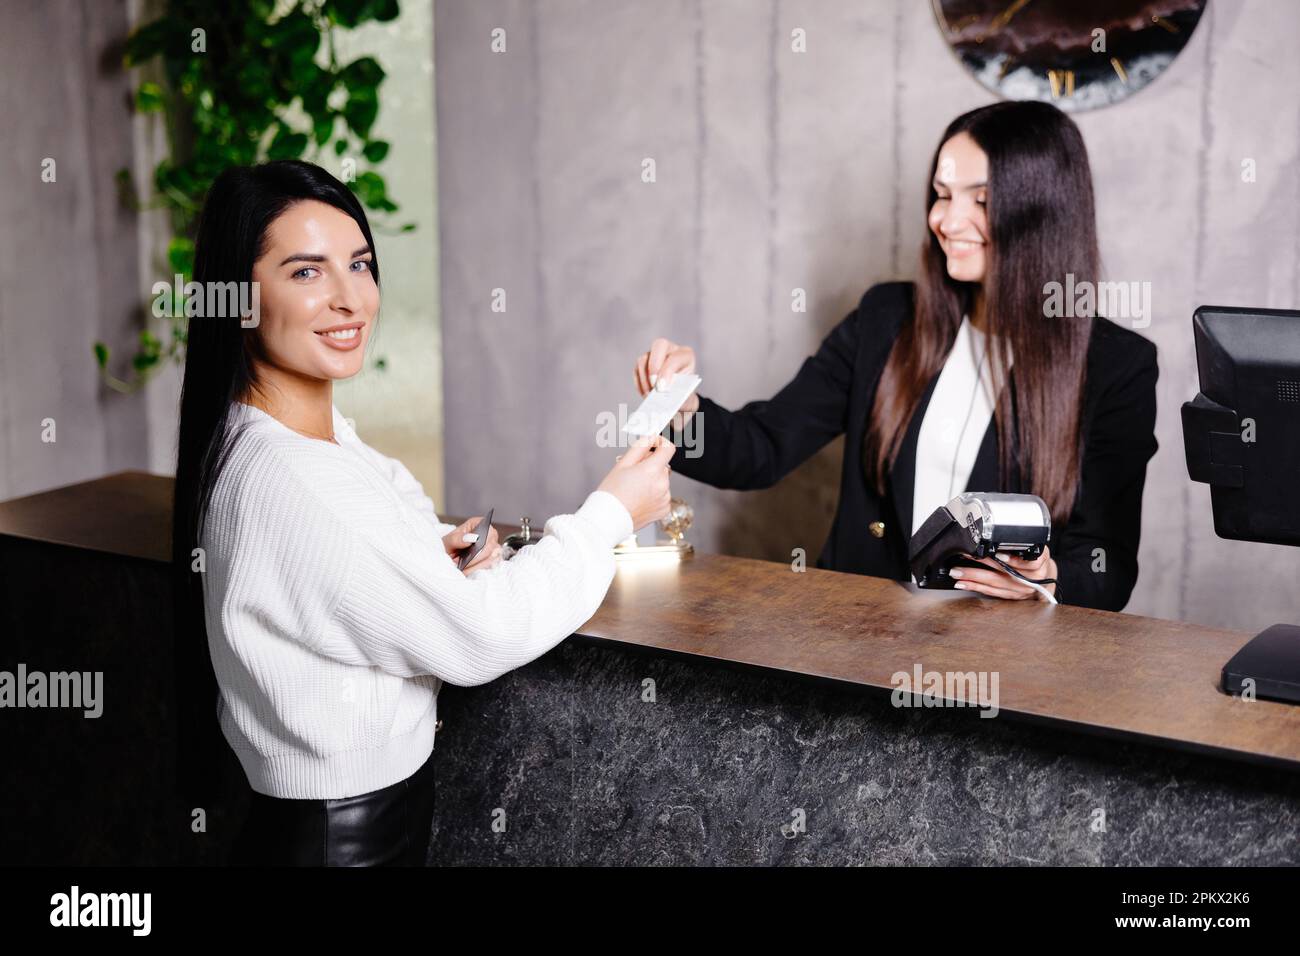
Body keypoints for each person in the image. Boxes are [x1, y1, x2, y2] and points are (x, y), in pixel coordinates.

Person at [171, 159, 674, 865]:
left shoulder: (284, 441)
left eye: (360, 264)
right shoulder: (294, 477)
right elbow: (481, 635)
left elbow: (343, 564)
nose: (351, 299)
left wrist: (426, 553)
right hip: (340, 841)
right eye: (307, 273)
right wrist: (610, 514)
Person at [634, 101, 1158, 612]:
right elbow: (762, 447)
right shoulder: (885, 319)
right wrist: (683, 409)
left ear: (1044, 211)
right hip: (855, 642)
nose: (947, 220)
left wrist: (1051, 577)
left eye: (980, 199)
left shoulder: (1117, 365)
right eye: (941, 195)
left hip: (1002, 666)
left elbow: (1106, 565)